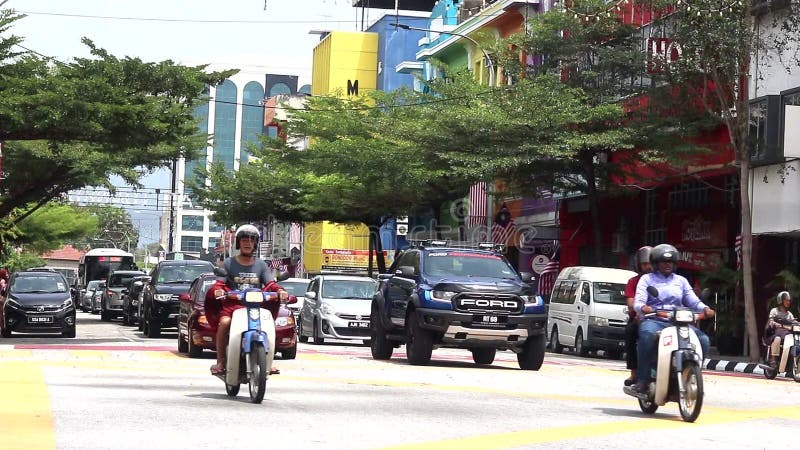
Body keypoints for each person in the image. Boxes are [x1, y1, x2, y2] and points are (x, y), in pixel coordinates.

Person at [630, 243, 715, 395]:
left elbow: (692, 300)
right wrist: (646, 308)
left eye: (670, 262)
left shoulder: (680, 281)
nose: (667, 264)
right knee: (647, 335)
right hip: (655, 320)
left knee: (703, 340)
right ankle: (643, 379)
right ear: (656, 263)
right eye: (663, 261)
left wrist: (705, 309)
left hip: (678, 321)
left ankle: (692, 373)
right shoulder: (647, 280)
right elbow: (638, 303)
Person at [205, 224, 288, 376]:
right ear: (238, 243)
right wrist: (218, 290)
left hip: (255, 307)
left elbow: (270, 283)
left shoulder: (261, 265)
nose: (247, 243)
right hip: (232, 306)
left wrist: (280, 291)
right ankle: (221, 361)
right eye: (244, 240)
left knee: (269, 325)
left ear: (255, 244)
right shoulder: (229, 263)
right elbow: (220, 283)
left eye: (251, 240)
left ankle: (269, 361)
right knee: (224, 323)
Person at [623, 246, 652, 387]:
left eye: (651, 263)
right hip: (640, 317)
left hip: (663, 317)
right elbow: (630, 302)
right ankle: (634, 372)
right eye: (645, 264)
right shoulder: (634, 281)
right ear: (639, 265)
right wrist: (641, 310)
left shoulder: (665, 280)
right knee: (630, 332)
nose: (648, 267)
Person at [764, 291, 796, 366]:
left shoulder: (789, 314)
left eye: (789, 300)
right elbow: (771, 321)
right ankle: (773, 360)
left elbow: (794, 322)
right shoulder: (774, 311)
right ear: (781, 300)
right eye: (786, 300)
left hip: (787, 335)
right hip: (774, 334)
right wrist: (776, 324)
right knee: (777, 338)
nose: (788, 302)